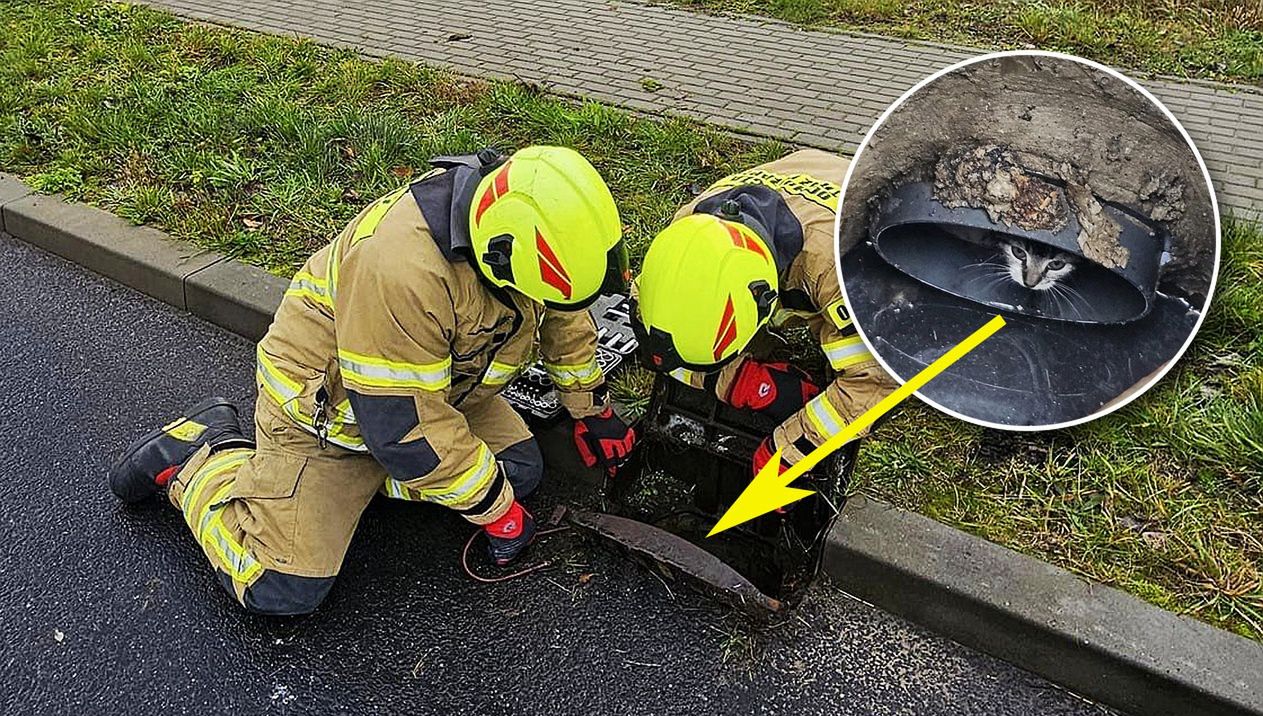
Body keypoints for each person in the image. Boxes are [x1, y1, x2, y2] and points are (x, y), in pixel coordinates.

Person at [108, 146, 637, 615]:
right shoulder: (402, 270)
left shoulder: (526, 214)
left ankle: (354, 495)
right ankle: (203, 461)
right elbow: (405, 428)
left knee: (517, 470)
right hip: (330, 419)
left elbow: (565, 313)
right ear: (501, 255)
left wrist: (593, 409)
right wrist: (497, 513)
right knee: (282, 587)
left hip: (443, 394)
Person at [632, 149, 894, 478]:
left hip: (869, 220)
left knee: (862, 355)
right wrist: (739, 382)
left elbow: (880, 382)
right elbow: (647, 328)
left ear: (765, 300)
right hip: (808, 174)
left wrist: (791, 449)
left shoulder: (841, 271)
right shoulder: (685, 233)